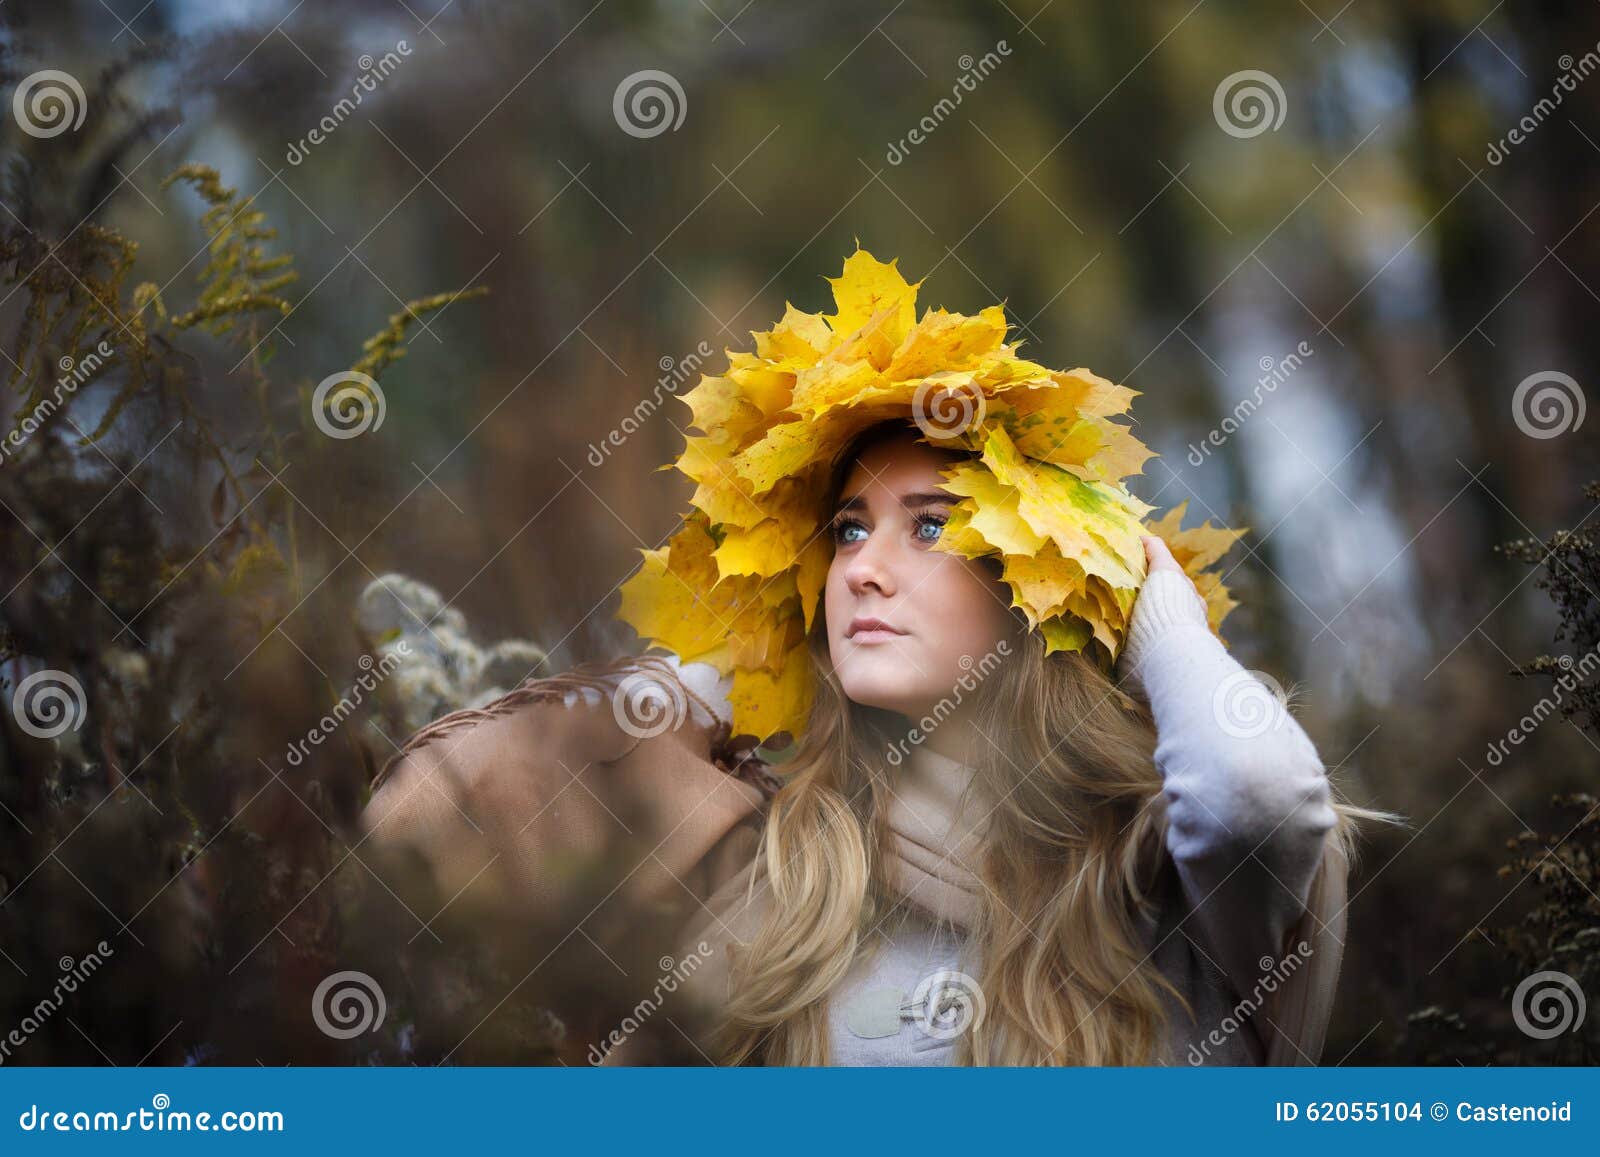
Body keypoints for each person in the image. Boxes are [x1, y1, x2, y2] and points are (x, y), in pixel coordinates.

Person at [358, 248, 1396, 1066]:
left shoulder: (1169, 879)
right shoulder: (782, 876)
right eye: (846, 531)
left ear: (1036, 582)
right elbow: (439, 811)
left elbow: (1258, 797)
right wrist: (748, 641)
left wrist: (1148, 599)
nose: (861, 568)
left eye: (932, 527)